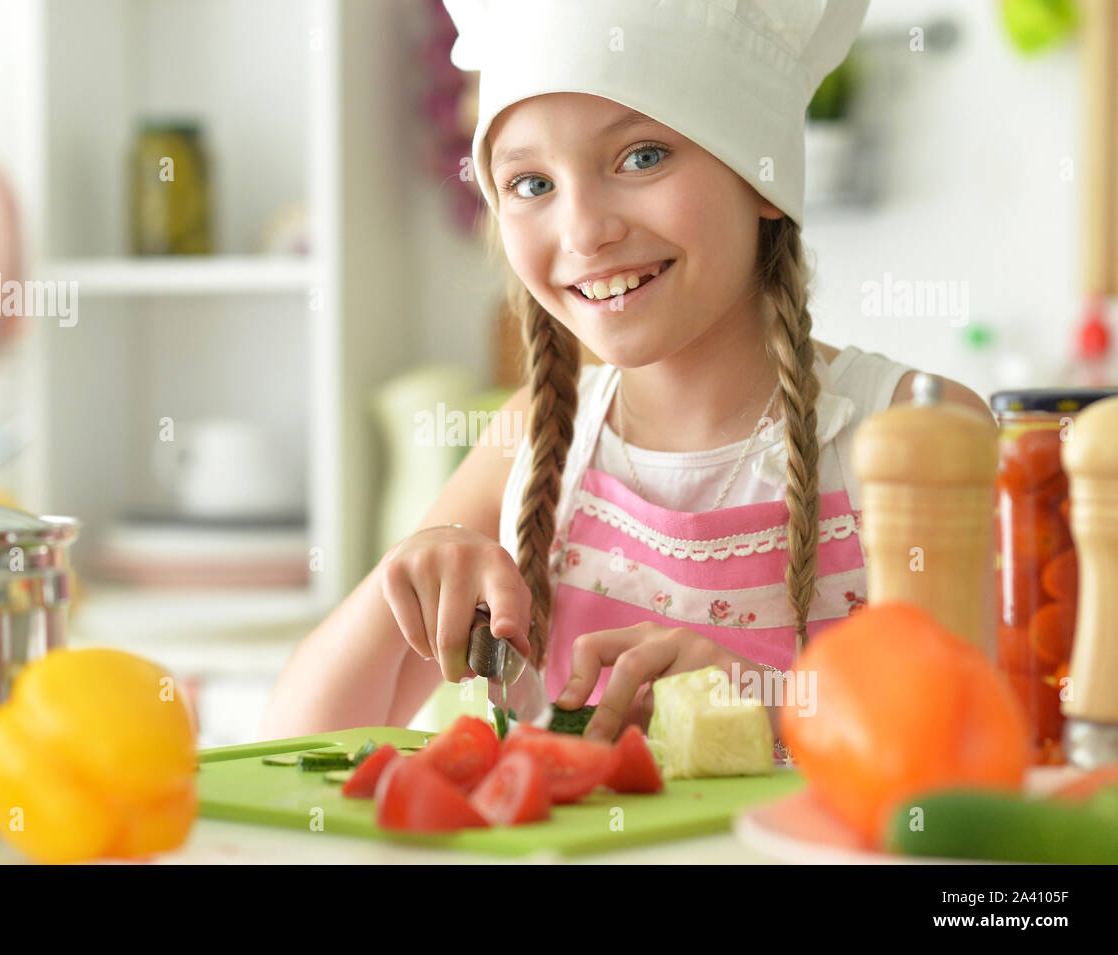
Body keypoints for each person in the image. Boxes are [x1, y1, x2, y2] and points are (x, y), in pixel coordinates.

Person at [262, 0, 994, 746]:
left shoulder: (917, 437)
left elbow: (983, 758)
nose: (584, 231)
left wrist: (770, 706)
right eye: (531, 184)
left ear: (766, 174)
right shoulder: (533, 436)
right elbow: (293, 741)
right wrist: (410, 571)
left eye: (642, 156)